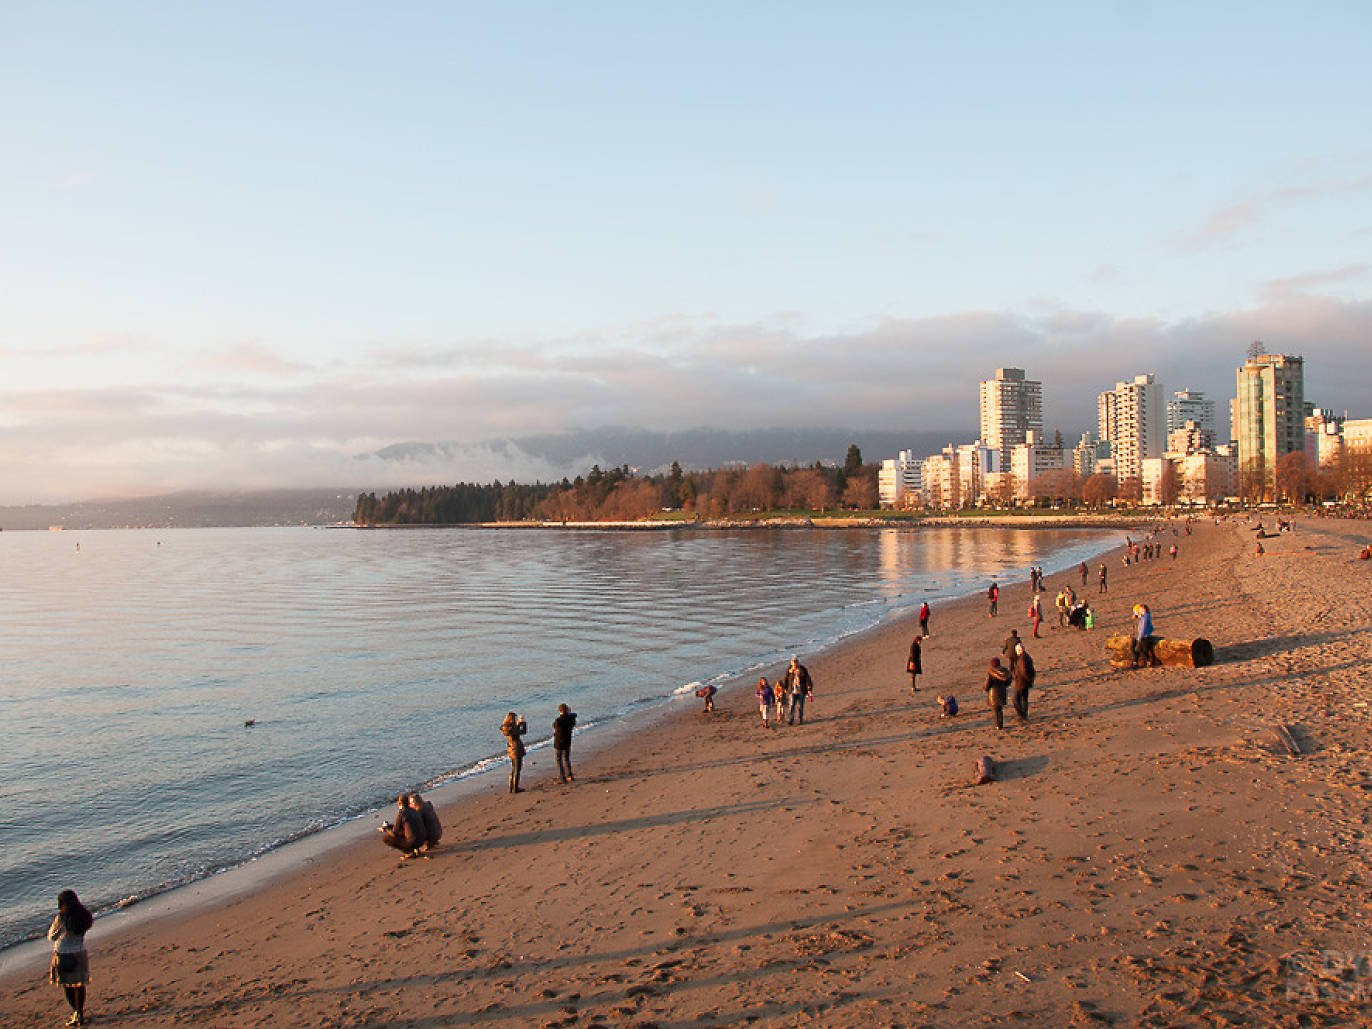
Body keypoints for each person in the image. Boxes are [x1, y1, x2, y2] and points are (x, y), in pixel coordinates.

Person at [49, 889, 93, 1027]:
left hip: (63, 953)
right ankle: (80, 1012)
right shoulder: (84, 915)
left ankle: (75, 1012)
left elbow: (51, 936)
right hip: (79, 952)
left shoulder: (61, 917)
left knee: (67, 985)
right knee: (80, 985)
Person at [501, 711, 528, 792]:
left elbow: (515, 731)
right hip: (517, 748)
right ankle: (515, 788)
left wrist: (518, 724)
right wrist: (522, 723)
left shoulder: (505, 727)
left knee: (513, 768)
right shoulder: (512, 728)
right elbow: (523, 731)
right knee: (517, 769)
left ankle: (511, 787)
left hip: (511, 748)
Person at [783, 656, 814, 725]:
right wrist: (785, 688)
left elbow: (808, 679)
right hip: (792, 691)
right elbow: (786, 679)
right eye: (793, 664)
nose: (794, 665)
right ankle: (791, 719)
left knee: (800, 706)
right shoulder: (789, 670)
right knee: (791, 705)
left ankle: (800, 719)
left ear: (798, 663)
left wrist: (809, 689)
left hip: (801, 691)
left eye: (796, 663)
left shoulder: (803, 669)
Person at [552, 703, 577, 783]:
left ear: (560, 711)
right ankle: (569, 775)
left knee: (559, 760)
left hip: (559, 742)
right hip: (567, 740)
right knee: (566, 758)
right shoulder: (571, 718)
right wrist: (569, 712)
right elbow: (574, 715)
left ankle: (562, 777)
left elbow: (555, 727)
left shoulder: (558, 720)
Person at [1011, 643, 1036, 723]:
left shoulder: (1022, 659)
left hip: (1021, 682)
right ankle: (1024, 715)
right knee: (1024, 699)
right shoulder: (1026, 656)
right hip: (1025, 682)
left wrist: (1016, 676)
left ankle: (1021, 715)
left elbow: (1023, 671)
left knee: (1015, 699)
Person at [985, 658, 1011, 731]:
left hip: (993, 694)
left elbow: (987, 685)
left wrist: (986, 689)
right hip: (1002, 692)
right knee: (1000, 710)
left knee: (995, 710)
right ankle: (1000, 724)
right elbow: (1008, 681)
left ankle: (998, 725)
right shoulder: (1005, 671)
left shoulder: (991, 673)